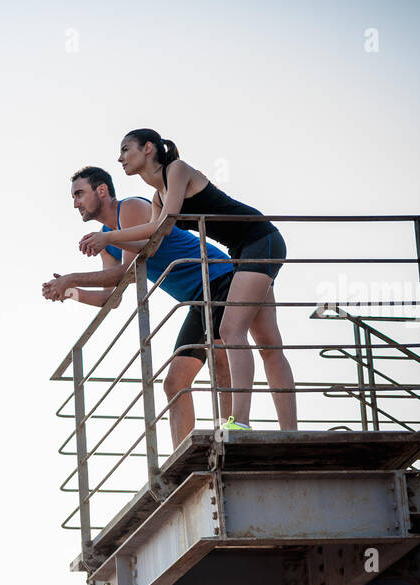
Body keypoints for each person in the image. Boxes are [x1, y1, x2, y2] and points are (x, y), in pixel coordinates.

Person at [77, 130, 297, 432]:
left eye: (126, 149)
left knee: (231, 329)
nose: (120, 158)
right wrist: (102, 246)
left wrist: (109, 237)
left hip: (259, 238)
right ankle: (290, 431)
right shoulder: (157, 196)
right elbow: (153, 238)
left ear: (149, 148)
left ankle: (240, 423)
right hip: (240, 252)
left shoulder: (176, 170)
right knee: (269, 345)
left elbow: (166, 226)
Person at [43, 165, 236, 447]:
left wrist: (71, 278)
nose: (75, 203)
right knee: (174, 382)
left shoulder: (130, 209)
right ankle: (182, 454)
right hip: (196, 299)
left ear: (102, 190)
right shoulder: (106, 237)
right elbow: (113, 296)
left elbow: (127, 271)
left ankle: (231, 430)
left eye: (80, 194)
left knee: (219, 354)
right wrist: (69, 291)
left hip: (219, 277)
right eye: (73, 197)